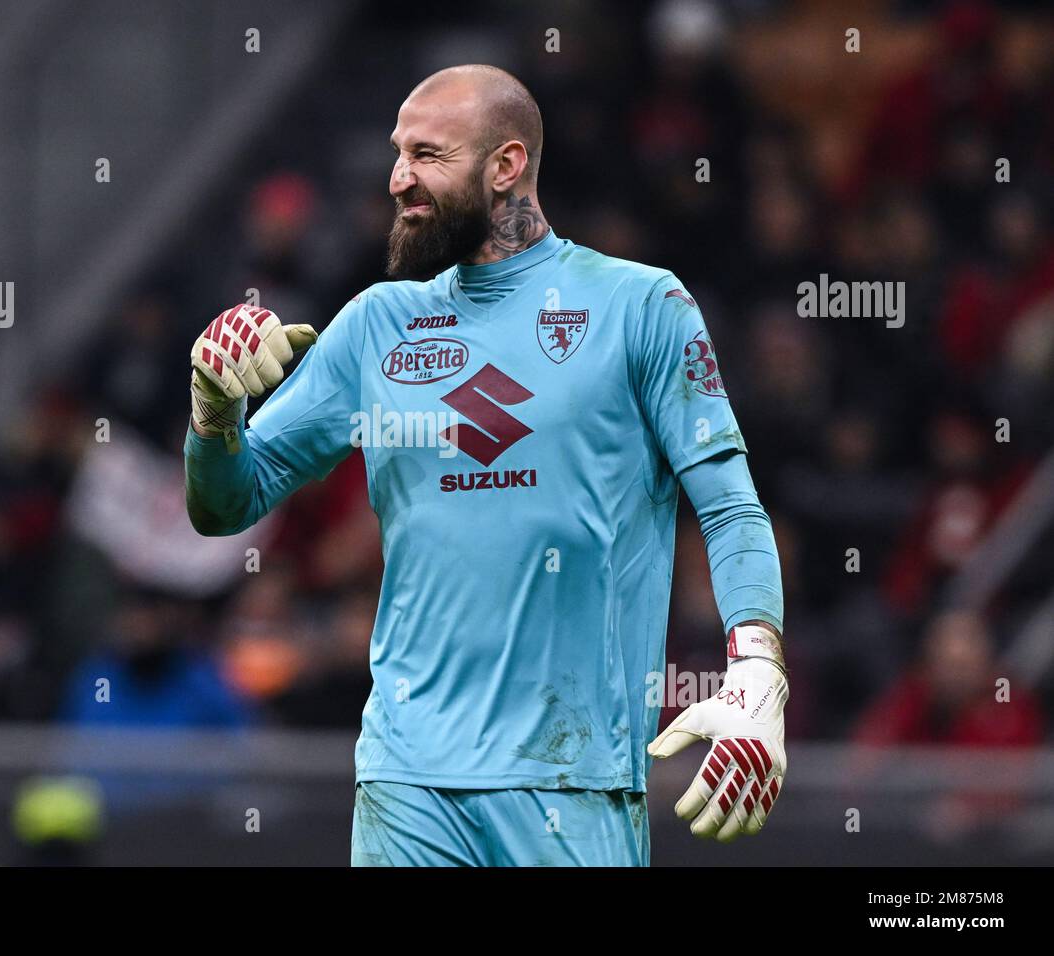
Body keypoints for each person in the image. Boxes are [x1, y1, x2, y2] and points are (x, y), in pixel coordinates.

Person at [184, 65, 786, 866]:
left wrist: (756, 669)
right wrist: (214, 415)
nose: (399, 177)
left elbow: (730, 506)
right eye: (398, 154)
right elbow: (226, 505)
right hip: (407, 781)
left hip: (572, 781)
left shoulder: (640, 307)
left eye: (428, 155)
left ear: (506, 166)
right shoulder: (376, 325)